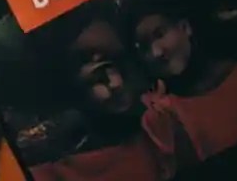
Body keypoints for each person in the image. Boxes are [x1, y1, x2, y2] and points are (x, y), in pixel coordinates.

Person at [126, 0, 237, 167]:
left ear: (185, 27)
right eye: (144, 48)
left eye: (160, 34)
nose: (156, 52)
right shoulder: (167, 115)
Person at [29, 15, 175, 181]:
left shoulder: (167, 125)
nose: (116, 83)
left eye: (119, 67)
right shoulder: (57, 171)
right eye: (99, 78)